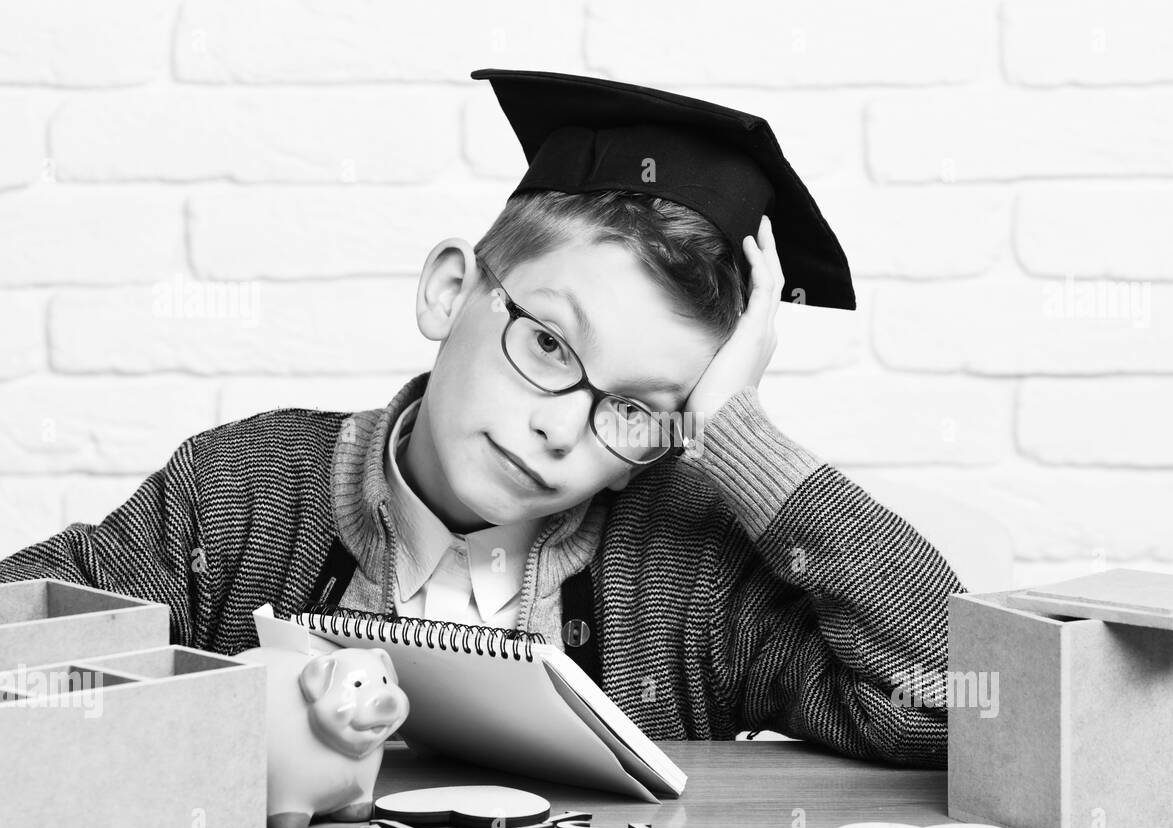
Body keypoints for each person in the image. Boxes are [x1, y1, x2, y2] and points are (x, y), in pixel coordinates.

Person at [0, 69, 966, 767]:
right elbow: (25, 647)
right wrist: (221, 713)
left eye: (633, 410)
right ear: (451, 292)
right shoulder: (236, 496)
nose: (560, 430)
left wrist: (733, 432)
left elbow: (944, 704)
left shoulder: (692, 576)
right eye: (549, 344)